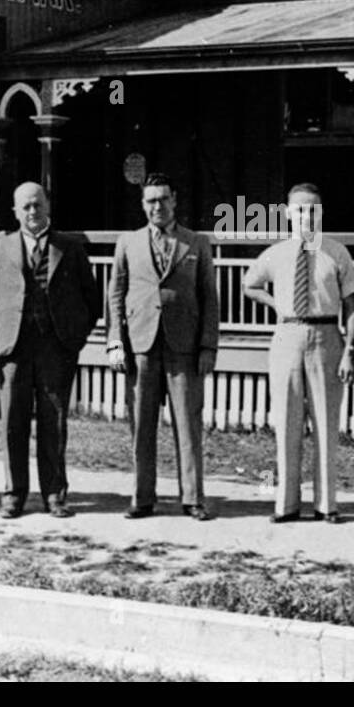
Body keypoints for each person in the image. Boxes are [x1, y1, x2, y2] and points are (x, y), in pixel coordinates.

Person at [0, 182, 99, 518]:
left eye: (37, 205)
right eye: (25, 206)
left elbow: (91, 300)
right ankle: (14, 493)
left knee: (53, 421)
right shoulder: (0, 249)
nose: (32, 212)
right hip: (12, 348)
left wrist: (75, 339)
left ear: (48, 205)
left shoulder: (69, 247)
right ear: (15, 211)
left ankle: (54, 494)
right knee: (13, 420)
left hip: (56, 348)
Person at [243, 183, 354, 523]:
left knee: (326, 422)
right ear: (287, 214)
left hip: (326, 335)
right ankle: (286, 504)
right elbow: (249, 285)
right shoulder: (275, 254)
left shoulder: (337, 253)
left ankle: (327, 505)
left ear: (320, 214)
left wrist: (350, 351)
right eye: (300, 210)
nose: (306, 216)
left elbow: (352, 304)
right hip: (287, 334)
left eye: (313, 210)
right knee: (286, 420)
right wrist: (276, 304)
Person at [107, 173, 219, 520]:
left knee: (188, 423)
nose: (157, 206)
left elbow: (209, 298)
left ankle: (193, 498)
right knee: (141, 425)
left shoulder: (196, 243)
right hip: (140, 344)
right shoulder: (128, 242)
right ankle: (143, 498)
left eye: (163, 199)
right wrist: (114, 341)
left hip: (183, 346)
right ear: (143, 205)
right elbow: (115, 294)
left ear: (175, 201)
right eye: (150, 200)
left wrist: (208, 347)